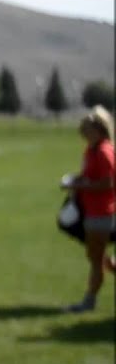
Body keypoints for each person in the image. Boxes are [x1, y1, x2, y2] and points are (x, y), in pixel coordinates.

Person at [61, 105, 116, 312]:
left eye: (86, 130)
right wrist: (77, 179)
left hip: (102, 211)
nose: (82, 134)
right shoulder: (92, 150)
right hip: (91, 209)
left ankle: (89, 302)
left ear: (98, 129)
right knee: (96, 256)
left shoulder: (104, 151)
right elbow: (91, 175)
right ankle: (90, 299)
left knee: (96, 259)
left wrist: (79, 186)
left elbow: (108, 183)